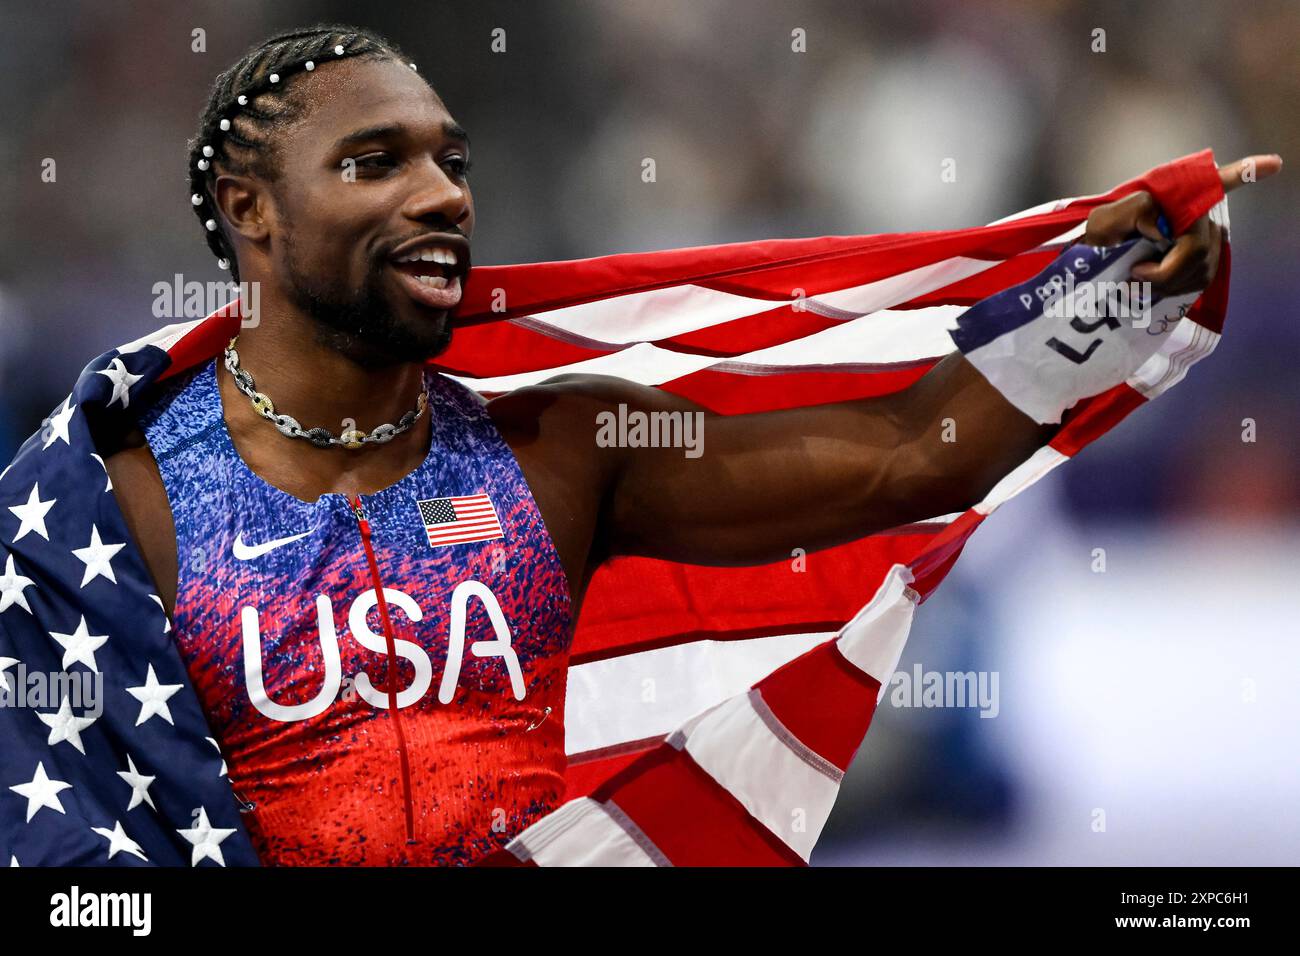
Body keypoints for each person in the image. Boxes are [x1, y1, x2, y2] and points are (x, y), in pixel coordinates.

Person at [50, 23, 1281, 865]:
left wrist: (1115, 290)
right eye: (375, 162)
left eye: (450, 160)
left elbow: (917, 454)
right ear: (249, 211)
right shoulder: (120, 511)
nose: (441, 195)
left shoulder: (558, 451)